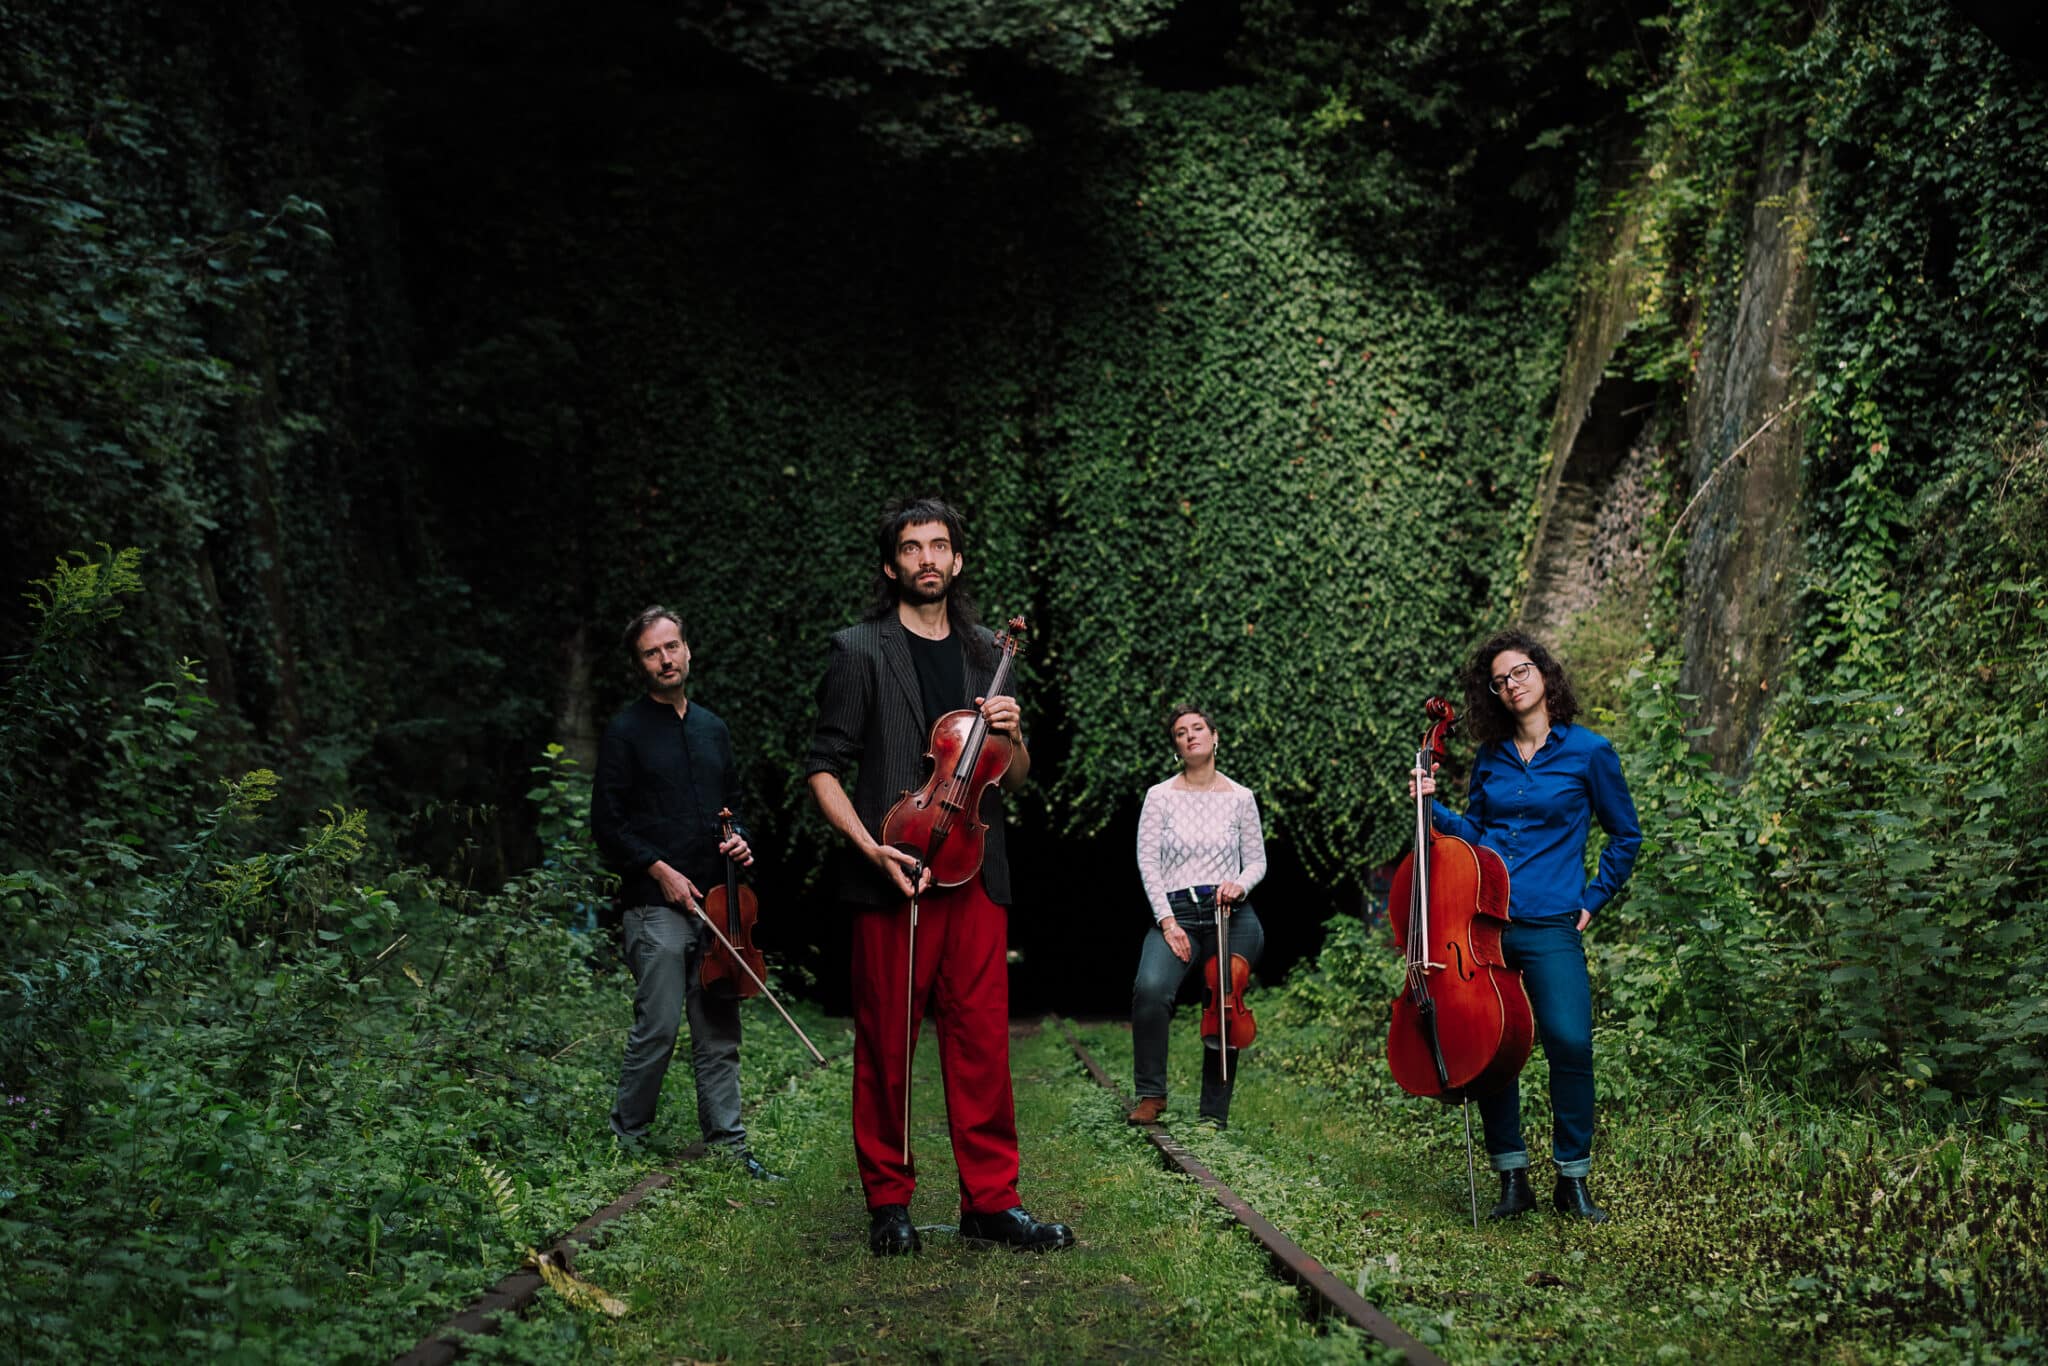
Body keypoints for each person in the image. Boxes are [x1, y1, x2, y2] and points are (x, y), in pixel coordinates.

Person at [805, 496, 1074, 1256]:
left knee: (983, 1042)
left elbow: (1007, 778)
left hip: (979, 872)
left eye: (940, 546)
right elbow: (824, 768)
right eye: (912, 547)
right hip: (895, 873)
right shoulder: (859, 649)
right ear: (892, 564)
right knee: (888, 1045)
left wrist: (1016, 739)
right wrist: (872, 848)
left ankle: (991, 1203)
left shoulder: (991, 651)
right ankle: (889, 1202)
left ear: (957, 561)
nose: (927, 558)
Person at [1412, 629, 1640, 1222]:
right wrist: (1429, 806)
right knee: (1494, 1048)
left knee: (1569, 1040)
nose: (1511, 684)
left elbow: (1625, 834)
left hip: (1549, 922)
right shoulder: (1490, 758)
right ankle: (1512, 1178)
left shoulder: (1590, 752)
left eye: (1520, 672)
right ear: (1492, 693)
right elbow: (1475, 835)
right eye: (1499, 680)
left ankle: (1573, 1180)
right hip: (1484, 922)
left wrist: (1595, 896)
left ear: (1542, 673)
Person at [591, 606, 777, 1179]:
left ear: (688, 651)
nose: (665, 659)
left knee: (719, 1030)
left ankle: (729, 1145)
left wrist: (738, 839)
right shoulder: (625, 732)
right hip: (656, 907)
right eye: (652, 651)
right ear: (639, 664)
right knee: (660, 1027)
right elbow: (608, 823)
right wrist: (658, 869)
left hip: (718, 907)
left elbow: (734, 807)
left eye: (672, 646)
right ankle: (627, 1139)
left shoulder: (712, 728)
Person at [1128, 706, 1268, 1129]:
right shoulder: (1160, 796)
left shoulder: (1241, 797)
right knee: (1150, 989)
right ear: (1176, 746)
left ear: (1214, 737)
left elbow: (1257, 862)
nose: (1189, 736)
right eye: (1180, 732)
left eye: (1197, 729)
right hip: (1179, 913)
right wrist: (1168, 922)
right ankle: (1151, 1095)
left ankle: (1214, 1114)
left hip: (1232, 914)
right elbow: (1147, 862)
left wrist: (1239, 885)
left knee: (1223, 999)